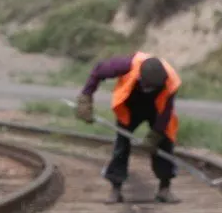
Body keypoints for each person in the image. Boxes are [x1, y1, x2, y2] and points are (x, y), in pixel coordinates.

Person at [74, 51, 181, 204]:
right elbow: (98, 70)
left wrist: (155, 135)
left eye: (153, 87)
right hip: (131, 106)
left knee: (163, 143)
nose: (149, 89)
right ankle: (116, 189)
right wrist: (86, 98)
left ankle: (165, 188)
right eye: (147, 85)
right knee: (122, 145)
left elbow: (166, 113)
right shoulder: (127, 65)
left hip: (157, 108)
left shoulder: (171, 81)